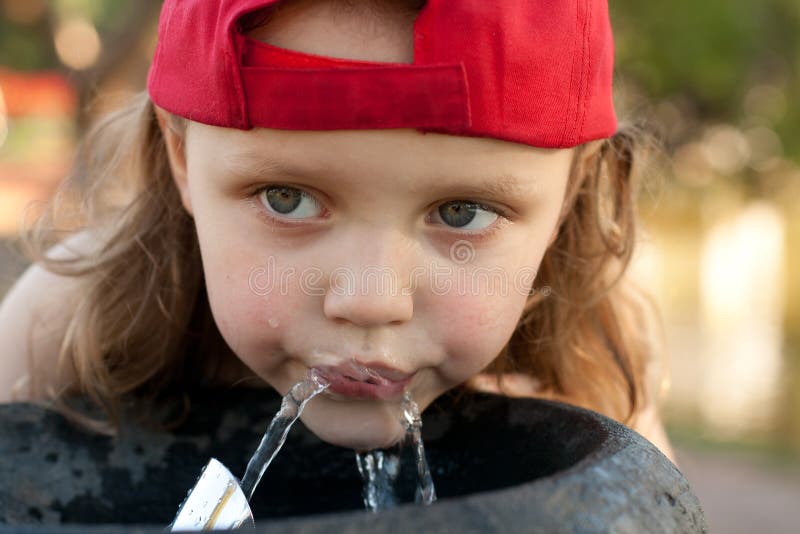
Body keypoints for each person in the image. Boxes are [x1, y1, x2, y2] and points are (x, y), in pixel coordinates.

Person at [0, 0, 674, 460]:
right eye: (286, 199)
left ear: (569, 193)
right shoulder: (69, 322)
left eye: (462, 213)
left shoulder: (594, 382)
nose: (371, 300)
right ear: (182, 159)